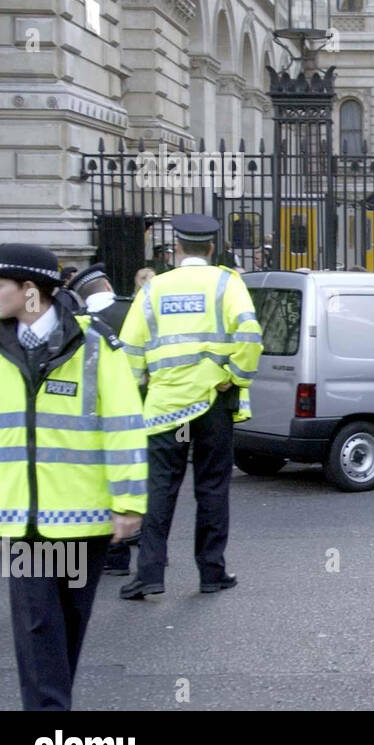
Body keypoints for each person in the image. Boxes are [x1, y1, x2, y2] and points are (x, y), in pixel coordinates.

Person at [0, 244, 147, 709]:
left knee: (67, 630)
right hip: (21, 519)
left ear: (30, 292)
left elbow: (124, 425)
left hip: (84, 518)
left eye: (1, 286)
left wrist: (129, 502)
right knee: (38, 630)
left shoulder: (96, 346)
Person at [118, 215, 263, 600]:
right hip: (213, 402)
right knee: (212, 487)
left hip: (165, 407)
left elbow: (130, 347)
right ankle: (212, 572)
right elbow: (250, 334)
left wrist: (135, 393)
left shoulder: (154, 288)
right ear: (211, 248)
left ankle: (149, 574)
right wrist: (235, 374)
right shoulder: (226, 283)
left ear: (177, 249)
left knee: (160, 489)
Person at [69, 264, 139, 575]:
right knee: (147, 477)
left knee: (107, 477)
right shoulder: (132, 309)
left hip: (96, 415)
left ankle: (115, 553)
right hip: (146, 408)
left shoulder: (78, 324)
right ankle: (149, 548)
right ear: (108, 286)